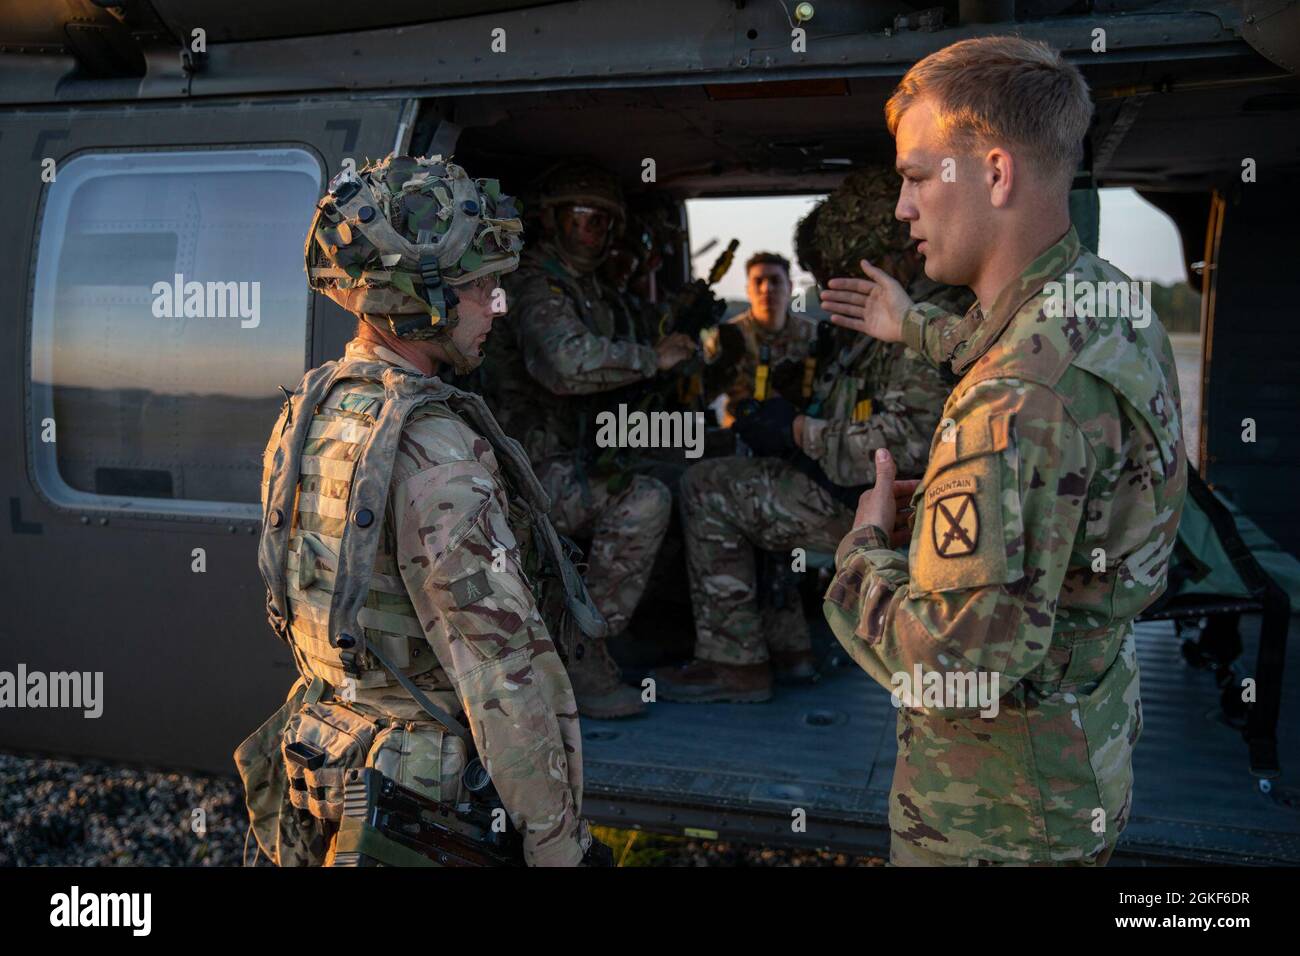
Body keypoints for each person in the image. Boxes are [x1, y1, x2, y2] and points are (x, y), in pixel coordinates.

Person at [820, 36, 1187, 866]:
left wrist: (865, 546)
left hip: (993, 817)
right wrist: (914, 325)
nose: (902, 207)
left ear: (993, 173)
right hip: (1072, 764)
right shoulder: (1109, 302)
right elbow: (1024, 358)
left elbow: (954, 668)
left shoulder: (1014, 402)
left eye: (915, 177)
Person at [237, 154, 607, 867]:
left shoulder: (310, 412)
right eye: (481, 289)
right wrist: (560, 847)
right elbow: (505, 676)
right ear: (422, 299)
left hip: (333, 764)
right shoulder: (435, 452)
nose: (498, 307)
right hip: (419, 801)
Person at [651, 169, 967, 703]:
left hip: (892, 508)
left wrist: (800, 430)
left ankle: (734, 663)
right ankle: (792, 650)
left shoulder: (923, 319)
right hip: (866, 493)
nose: (824, 288)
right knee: (757, 474)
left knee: (707, 487)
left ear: (875, 261)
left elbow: (909, 443)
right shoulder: (903, 311)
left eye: (833, 274)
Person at [485, 161, 695, 719]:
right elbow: (565, 365)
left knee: (689, 474)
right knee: (645, 499)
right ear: (552, 221)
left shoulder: (588, 289)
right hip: (524, 475)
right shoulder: (534, 284)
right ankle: (579, 654)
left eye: (604, 222)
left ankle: (631, 629)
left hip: (567, 456)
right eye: (582, 217)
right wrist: (653, 358)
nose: (594, 232)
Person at [700, 252, 819, 426]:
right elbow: (702, 394)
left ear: (790, 287)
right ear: (748, 289)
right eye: (758, 282)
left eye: (775, 281)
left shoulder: (812, 335)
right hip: (740, 434)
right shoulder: (726, 337)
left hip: (799, 434)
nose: (766, 289)